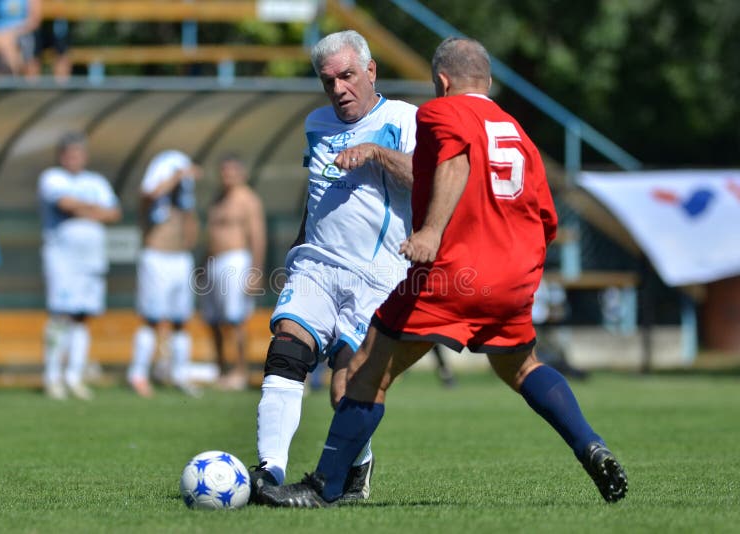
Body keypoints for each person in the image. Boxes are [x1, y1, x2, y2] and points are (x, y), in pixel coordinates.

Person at [257, 36, 628, 508]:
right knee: (522, 367)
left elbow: (452, 164)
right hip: (513, 278)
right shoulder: (516, 130)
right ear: (489, 82)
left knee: (365, 373)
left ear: (442, 81)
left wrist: (431, 231)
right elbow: (548, 217)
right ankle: (589, 444)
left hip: (453, 273)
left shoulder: (438, 113)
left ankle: (324, 487)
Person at [248, 30, 417, 504]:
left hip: (378, 275)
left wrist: (377, 154)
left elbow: (429, 177)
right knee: (287, 350)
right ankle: (268, 472)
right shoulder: (317, 123)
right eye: (329, 82)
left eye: (347, 76)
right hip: (317, 265)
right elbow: (319, 196)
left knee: (346, 386)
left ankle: (357, 466)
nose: (339, 89)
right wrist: (301, 245)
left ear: (370, 71)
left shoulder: (404, 118)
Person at [39, 131, 122, 400]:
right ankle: (52, 377)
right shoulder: (52, 178)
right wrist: (94, 210)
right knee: (61, 315)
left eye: (78, 153)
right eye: (69, 153)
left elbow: (114, 213)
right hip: (63, 260)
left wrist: (83, 209)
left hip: (91, 261)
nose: (73, 158)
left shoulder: (96, 181)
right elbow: (65, 204)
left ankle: (74, 376)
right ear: (61, 156)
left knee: (82, 318)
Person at [127, 149, 201, 397]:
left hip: (180, 260)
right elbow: (150, 194)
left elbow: (191, 223)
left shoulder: (183, 203)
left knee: (180, 321)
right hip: (156, 258)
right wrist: (176, 175)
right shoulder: (153, 197)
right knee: (151, 318)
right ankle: (138, 374)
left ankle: (180, 374)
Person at [199, 154, 265, 391]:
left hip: (236, 261)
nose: (227, 176)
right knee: (213, 319)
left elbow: (257, 236)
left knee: (235, 319)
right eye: (224, 171)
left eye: (232, 171)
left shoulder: (247, 200)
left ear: (241, 173)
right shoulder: (216, 199)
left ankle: (240, 371)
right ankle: (221, 369)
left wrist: (255, 272)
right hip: (212, 263)